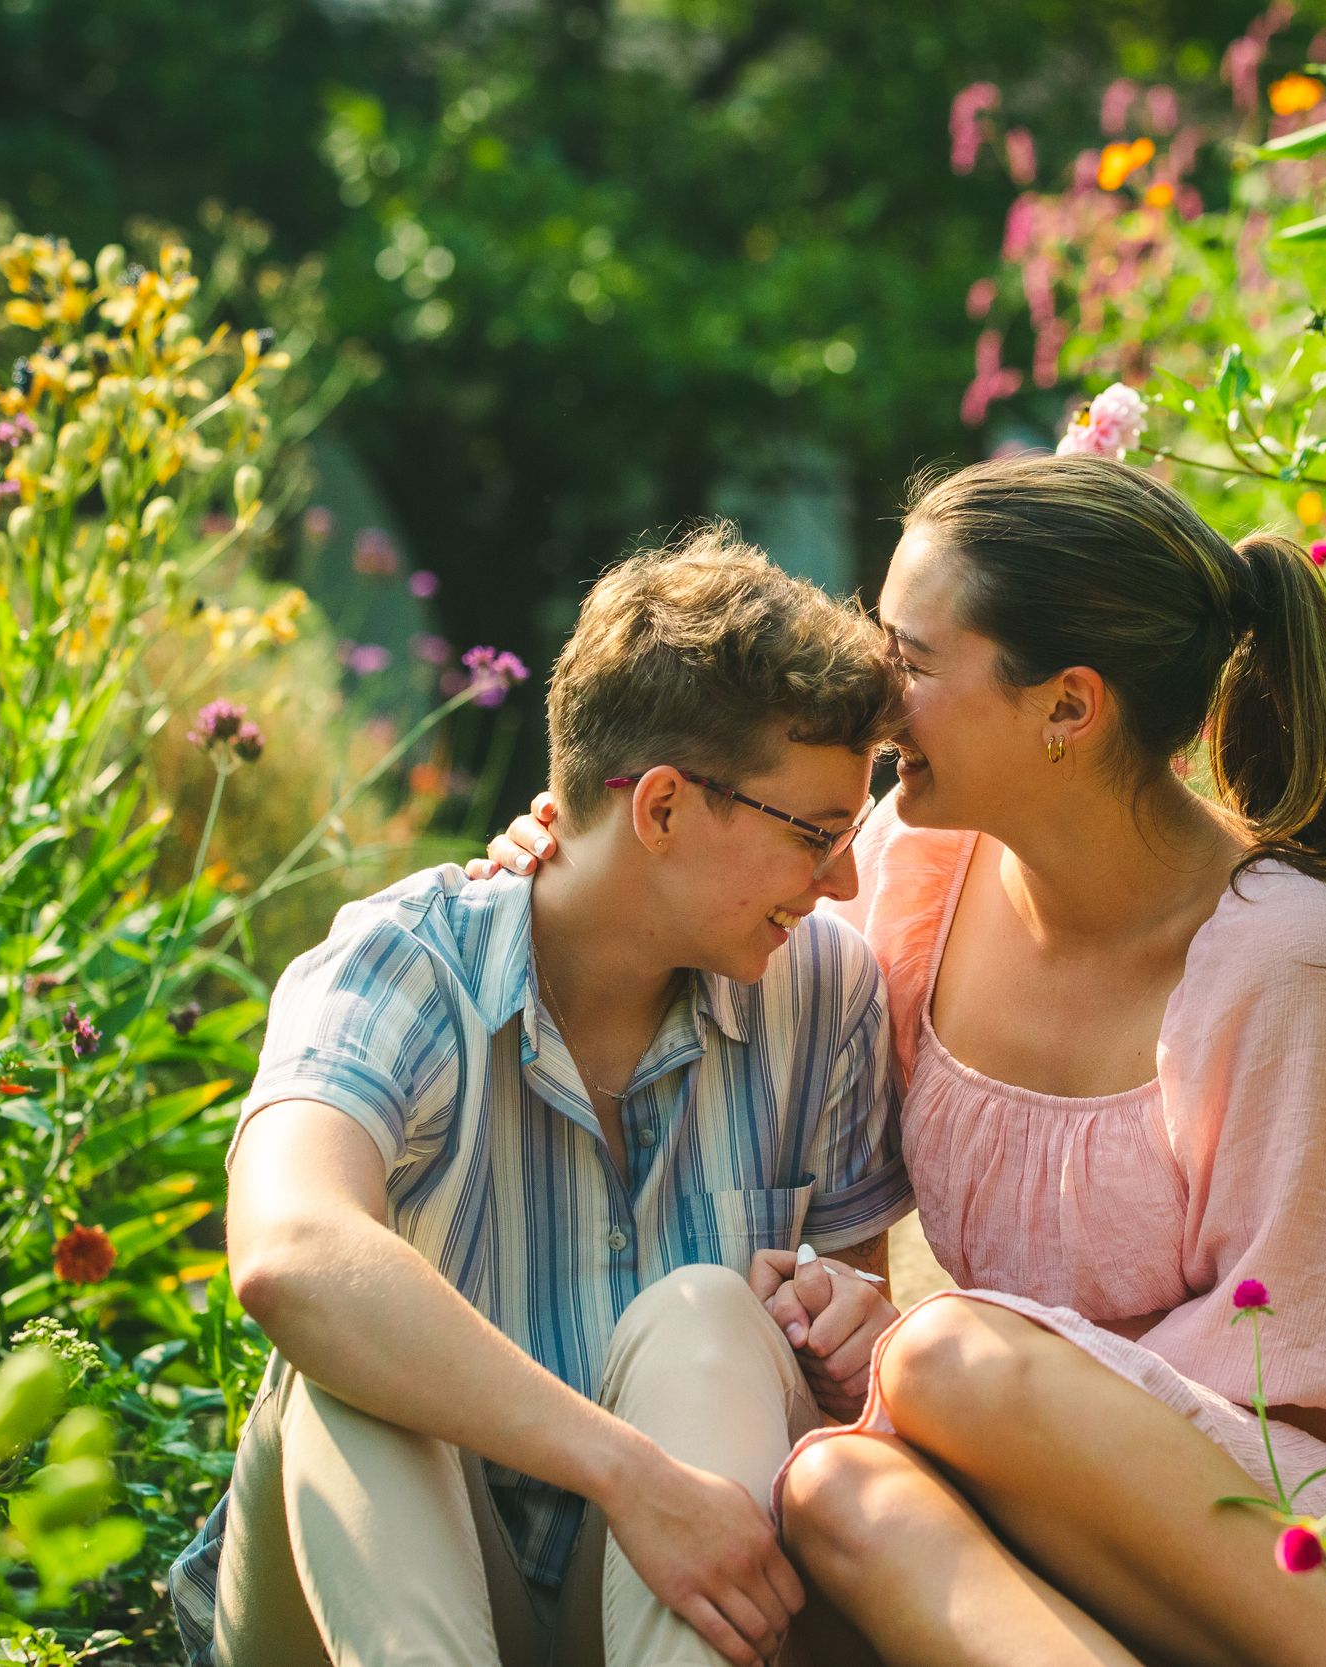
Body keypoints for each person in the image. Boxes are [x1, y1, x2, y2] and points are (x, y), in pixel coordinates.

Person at [472, 454, 1326, 1667]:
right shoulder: (913, 871)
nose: (872, 693)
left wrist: (970, 1374)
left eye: (909, 659)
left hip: (1292, 1569)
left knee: (943, 1358)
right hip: (1027, 1528)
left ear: (1068, 707)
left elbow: (1311, 1353)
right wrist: (586, 865)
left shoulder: (1288, 954)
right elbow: (718, 955)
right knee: (831, 1488)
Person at [167, 526, 916, 1667]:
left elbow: (853, 1408)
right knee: (361, 1360)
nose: (844, 879)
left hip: (645, 1608)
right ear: (660, 809)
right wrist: (626, 1472)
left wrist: (849, 1341)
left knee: (707, 1317)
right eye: (817, 834)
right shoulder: (405, 965)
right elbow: (289, 1250)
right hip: (365, 1595)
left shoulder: (825, 994)